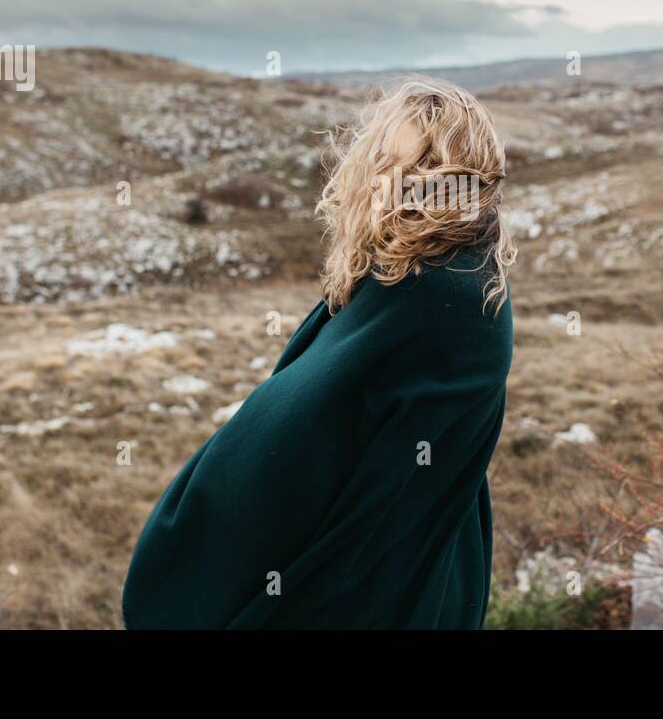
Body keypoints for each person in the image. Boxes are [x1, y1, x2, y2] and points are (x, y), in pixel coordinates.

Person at [122, 76, 517, 628]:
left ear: (457, 181)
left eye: (415, 167)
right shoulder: (399, 277)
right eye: (381, 158)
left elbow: (360, 468)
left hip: (371, 593)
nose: (389, 180)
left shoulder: (446, 294)